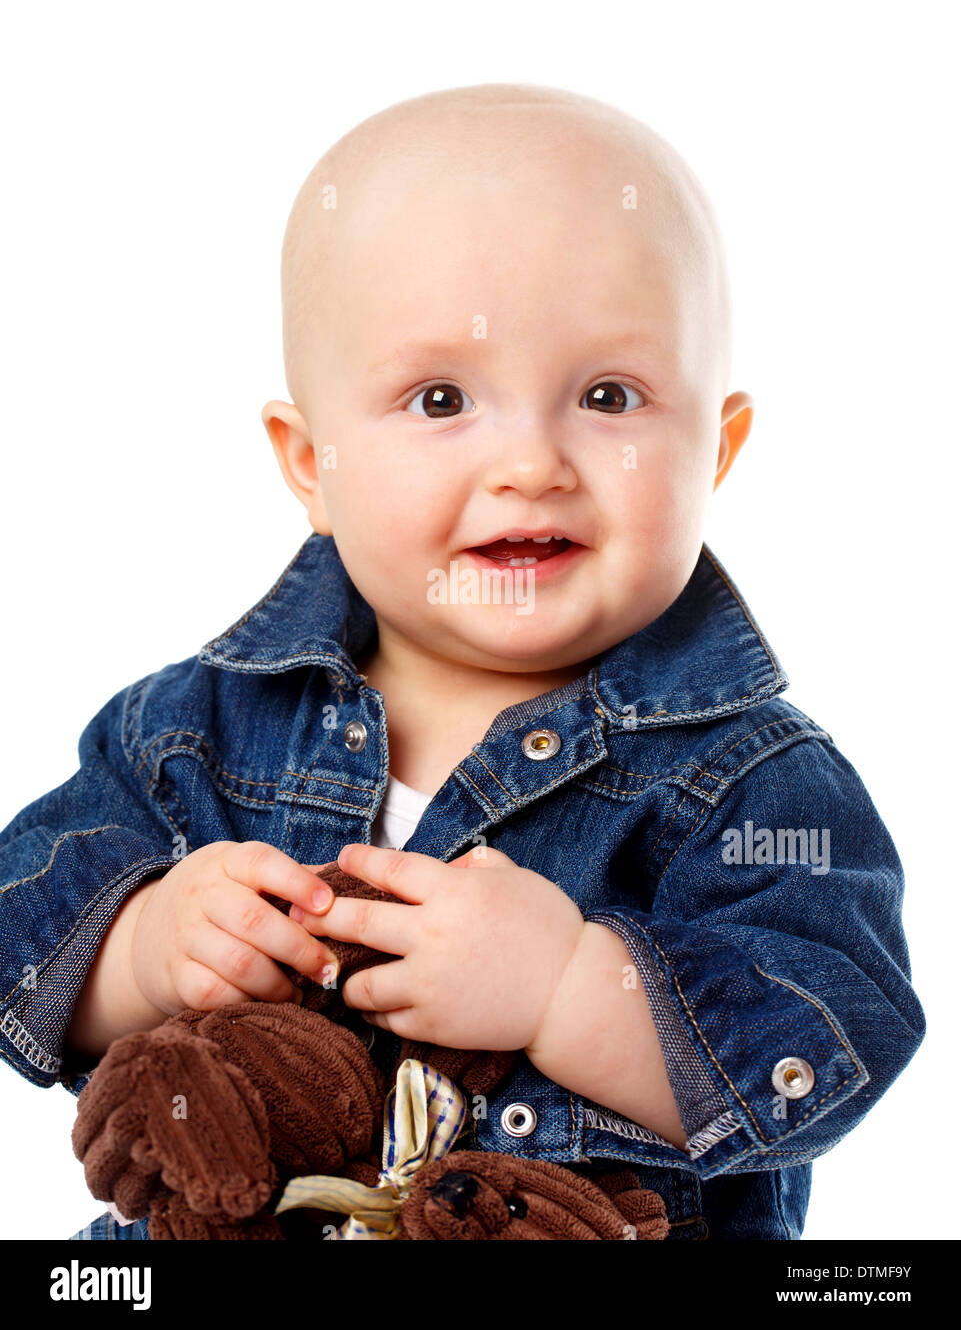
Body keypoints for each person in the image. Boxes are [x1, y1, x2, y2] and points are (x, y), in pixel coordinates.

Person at [1, 83, 925, 1241]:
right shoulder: (187, 731)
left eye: (608, 396)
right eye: (441, 399)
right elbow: (17, 920)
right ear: (310, 461)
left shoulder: (750, 777)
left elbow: (834, 1039)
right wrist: (141, 946)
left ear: (716, 448)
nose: (531, 462)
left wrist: (569, 990)